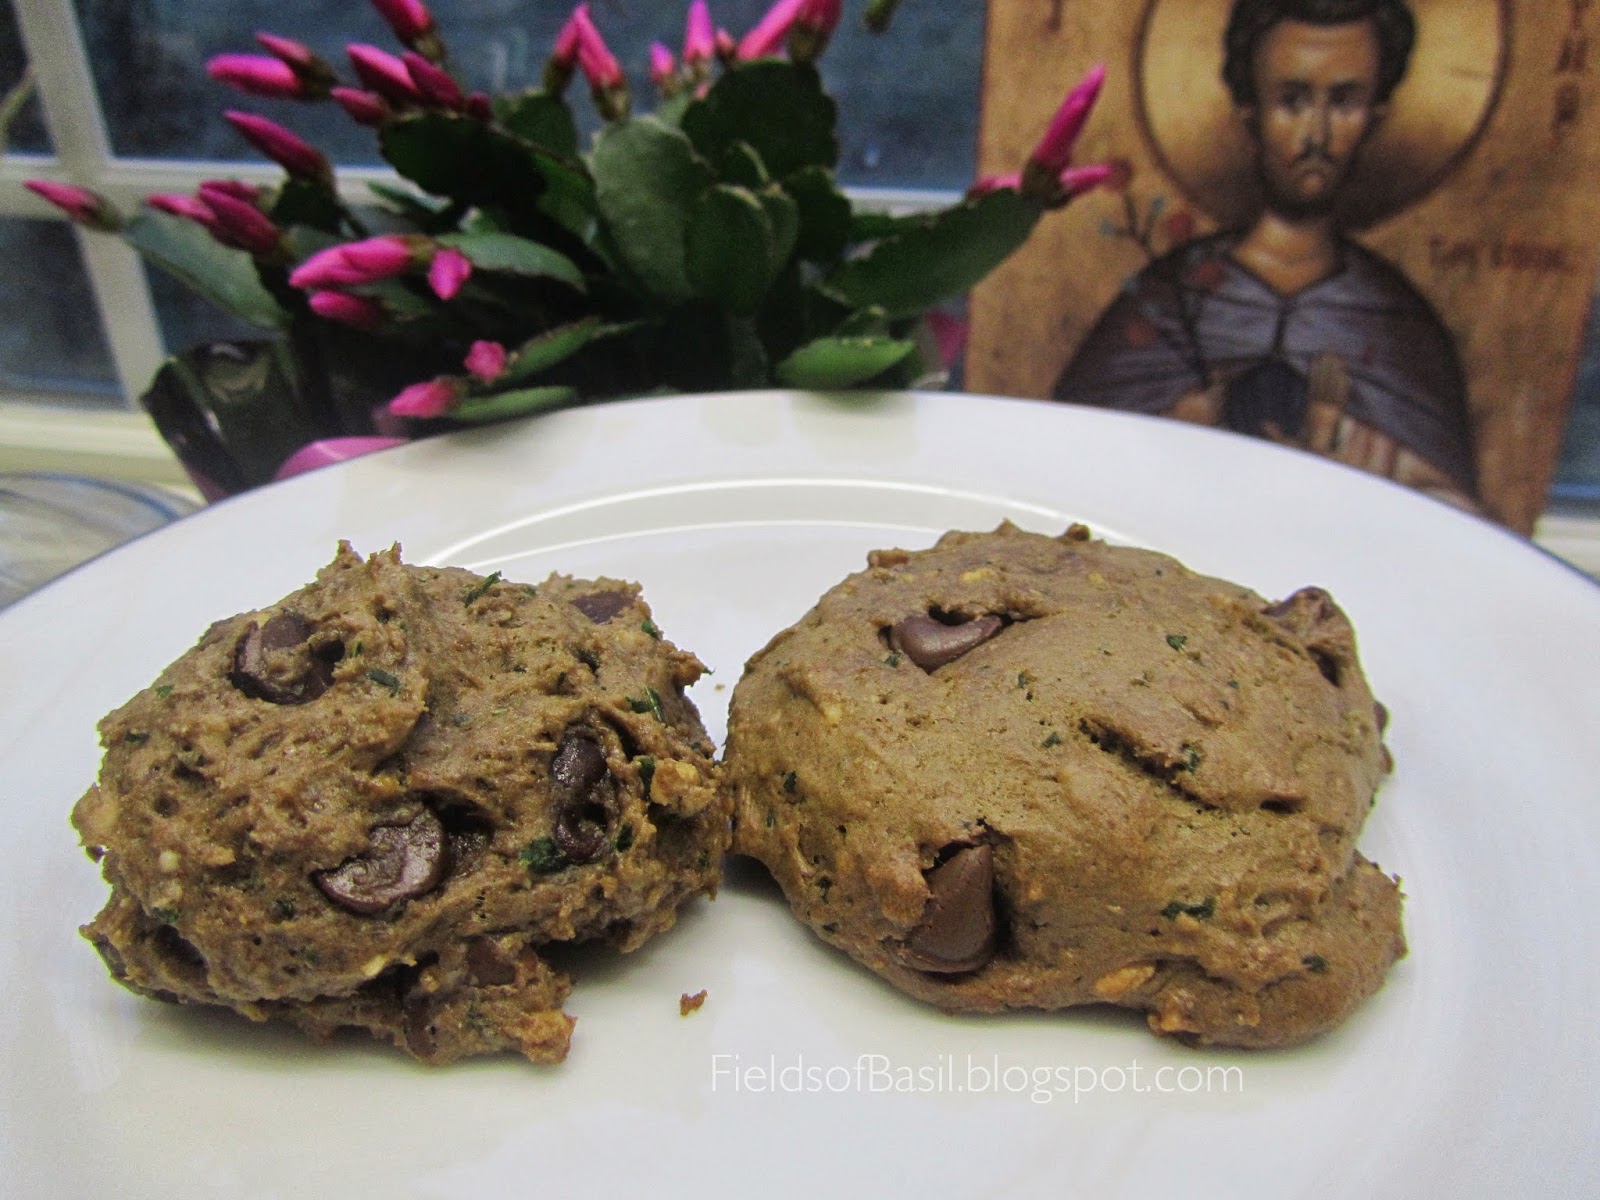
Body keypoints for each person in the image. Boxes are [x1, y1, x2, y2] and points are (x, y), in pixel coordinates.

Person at [1053, 0, 1480, 510]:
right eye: (1292, 100)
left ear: (1377, 114)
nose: (1316, 135)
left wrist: (1341, 456)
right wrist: (1181, 432)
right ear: (1249, 111)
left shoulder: (1399, 325)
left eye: (1343, 101)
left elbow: (1456, 528)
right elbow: (1062, 475)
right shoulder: (1168, 299)